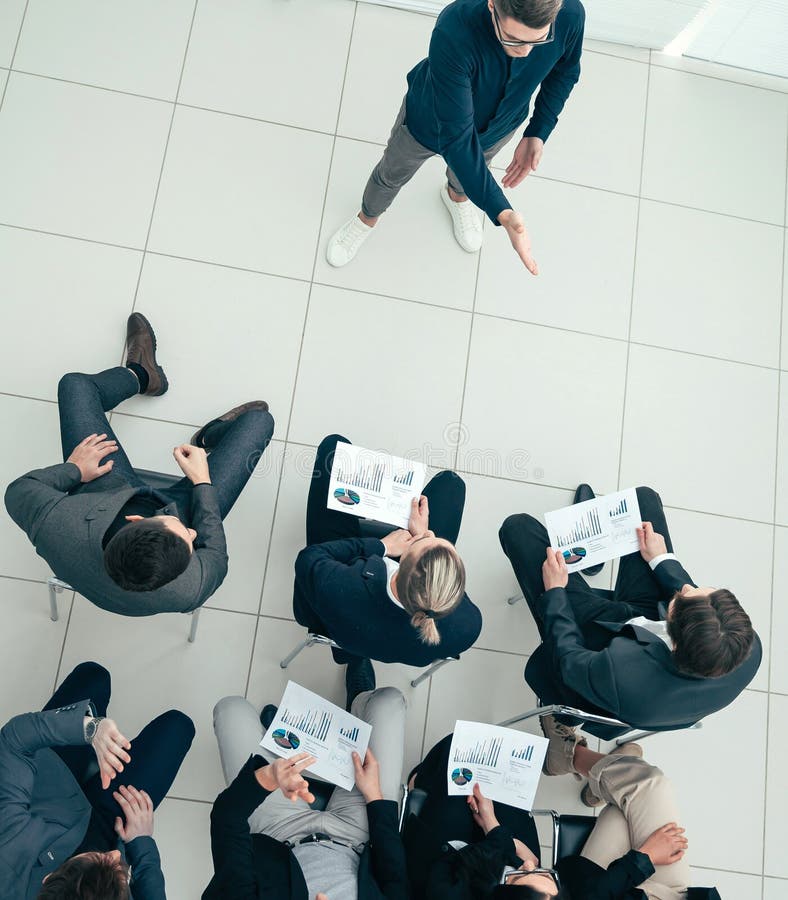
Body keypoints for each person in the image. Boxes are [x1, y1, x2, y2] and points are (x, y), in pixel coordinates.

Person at [4, 313, 274, 616]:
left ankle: (142, 374)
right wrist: (202, 483)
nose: (195, 534)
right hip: (187, 507)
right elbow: (213, 552)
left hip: (103, 488)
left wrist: (75, 470)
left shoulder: (54, 524)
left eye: (186, 534)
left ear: (135, 519)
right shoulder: (191, 588)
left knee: (75, 385)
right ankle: (211, 437)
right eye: (190, 541)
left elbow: (19, 490)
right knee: (259, 422)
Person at [498, 485, 762, 755]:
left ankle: (579, 559)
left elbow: (568, 657)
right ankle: (588, 550)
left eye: (685, 595)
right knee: (642, 500)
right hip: (648, 629)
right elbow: (697, 604)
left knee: (518, 529)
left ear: (675, 639)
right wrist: (661, 559)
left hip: (597, 647)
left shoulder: (622, 672)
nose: (685, 587)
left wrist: (555, 592)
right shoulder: (745, 643)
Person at [325, 0, 585, 273]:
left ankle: (456, 197)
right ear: (492, 5)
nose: (524, 51)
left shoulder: (570, 14)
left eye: (539, 40)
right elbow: (457, 139)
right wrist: (502, 211)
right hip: (427, 124)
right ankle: (367, 217)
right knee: (391, 173)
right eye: (512, 38)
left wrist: (538, 131)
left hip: (498, 128)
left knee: (468, 175)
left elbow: (565, 71)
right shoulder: (454, 28)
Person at [293, 434, 482, 700]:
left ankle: (350, 655)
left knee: (333, 450)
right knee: (452, 485)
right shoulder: (467, 626)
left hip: (340, 613)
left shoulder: (341, 585)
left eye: (424, 540)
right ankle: (354, 655)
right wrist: (422, 535)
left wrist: (380, 547)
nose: (429, 534)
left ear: (401, 561)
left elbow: (310, 558)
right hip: (395, 638)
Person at [0, 661, 194, 900]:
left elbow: (14, 741)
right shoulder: (114, 849)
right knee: (178, 728)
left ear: (48, 878)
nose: (116, 855)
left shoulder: (8, 853)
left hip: (51, 785)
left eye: (101, 859)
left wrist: (90, 729)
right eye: (119, 871)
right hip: (110, 826)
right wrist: (142, 845)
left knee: (94, 676)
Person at [204, 686, 409, 899]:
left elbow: (226, 819)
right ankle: (356, 709)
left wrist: (268, 777)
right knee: (388, 701)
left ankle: (278, 743)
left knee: (231, 710)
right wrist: (375, 797)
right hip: (357, 836)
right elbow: (395, 880)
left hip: (278, 833)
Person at [544, 734, 722, 900]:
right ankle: (604, 780)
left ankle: (568, 757)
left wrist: (645, 858)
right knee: (648, 786)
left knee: (634, 793)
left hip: (601, 891)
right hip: (673, 894)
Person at [403, 732, 565, 898]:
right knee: (488, 754)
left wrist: (498, 834)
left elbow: (452, 866)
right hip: (501, 855)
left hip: (449, 861)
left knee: (458, 751)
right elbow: (530, 863)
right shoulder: (531, 873)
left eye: (522, 875)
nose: (531, 864)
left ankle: (420, 780)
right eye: (545, 874)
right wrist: (494, 827)